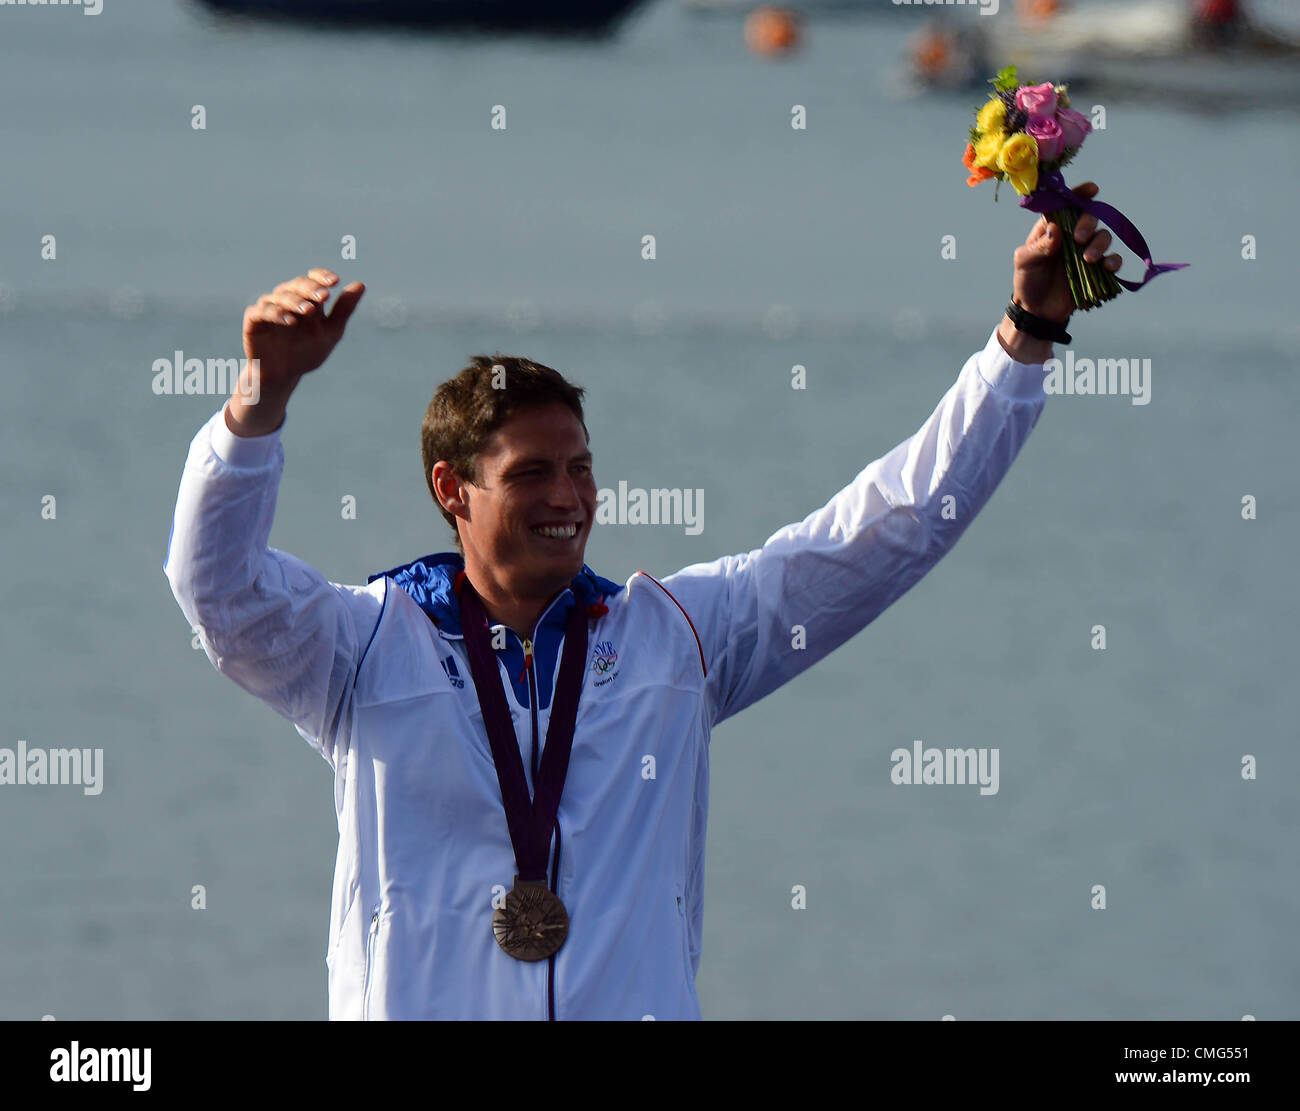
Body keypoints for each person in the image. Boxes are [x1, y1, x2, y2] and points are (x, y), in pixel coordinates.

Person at [164, 188, 1123, 1019]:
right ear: (452, 489)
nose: (568, 498)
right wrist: (259, 399)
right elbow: (216, 586)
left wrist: (1025, 337)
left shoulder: (677, 642)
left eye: (581, 470)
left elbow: (889, 529)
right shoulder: (364, 647)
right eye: (532, 473)